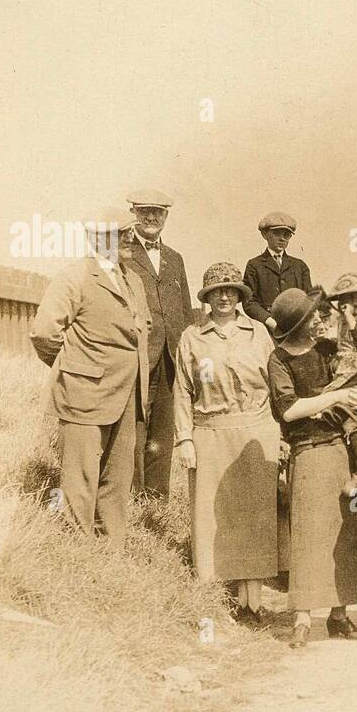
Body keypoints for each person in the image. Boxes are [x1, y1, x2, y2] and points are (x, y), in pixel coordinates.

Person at [267, 288, 357, 649]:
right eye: (314, 316)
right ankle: (302, 618)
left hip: (345, 451)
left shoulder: (329, 351)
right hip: (309, 453)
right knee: (308, 532)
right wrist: (335, 397)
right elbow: (288, 409)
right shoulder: (280, 359)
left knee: (351, 526)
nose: (320, 319)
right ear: (298, 325)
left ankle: (339, 615)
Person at [173, 263, 287, 625]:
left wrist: (282, 435)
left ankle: (251, 602)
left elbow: (276, 386)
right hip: (210, 434)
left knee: (255, 520)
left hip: (256, 433)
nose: (224, 296)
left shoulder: (257, 334)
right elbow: (183, 392)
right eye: (217, 291)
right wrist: (185, 439)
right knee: (212, 518)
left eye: (231, 290)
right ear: (206, 298)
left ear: (240, 296)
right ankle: (215, 602)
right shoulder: (192, 337)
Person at [29, 209, 151, 545]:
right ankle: (78, 552)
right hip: (84, 392)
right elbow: (43, 332)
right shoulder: (75, 276)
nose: (130, 237)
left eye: (131, 231)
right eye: (121, 232)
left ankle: (112, 553)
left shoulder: (134, 280)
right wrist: (74, 368)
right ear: (98, 237)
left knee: (117, 477)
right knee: (80, 478)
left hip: (127, 395)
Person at [122, 189, 192, 502]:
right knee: (136, 424)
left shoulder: (175, 259)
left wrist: (186, 350)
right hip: (138, 352)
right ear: (134, 213)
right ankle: (130, 495)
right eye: (145, 211)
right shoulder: (124, 254)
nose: (151, 218)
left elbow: (186, 310)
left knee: (163, 428)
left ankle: (155, 498)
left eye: (158, 212)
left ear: (166, 216)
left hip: (171, 355)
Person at [242, 213, 313, 332]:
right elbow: (249, 302)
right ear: (265, 234)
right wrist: (270, 321)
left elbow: (309, 298)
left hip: (296, 327)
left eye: (287, 235)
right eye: (276, 233)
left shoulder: (300, 266)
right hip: (266, 328)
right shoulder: (254, 265)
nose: (282, 239)